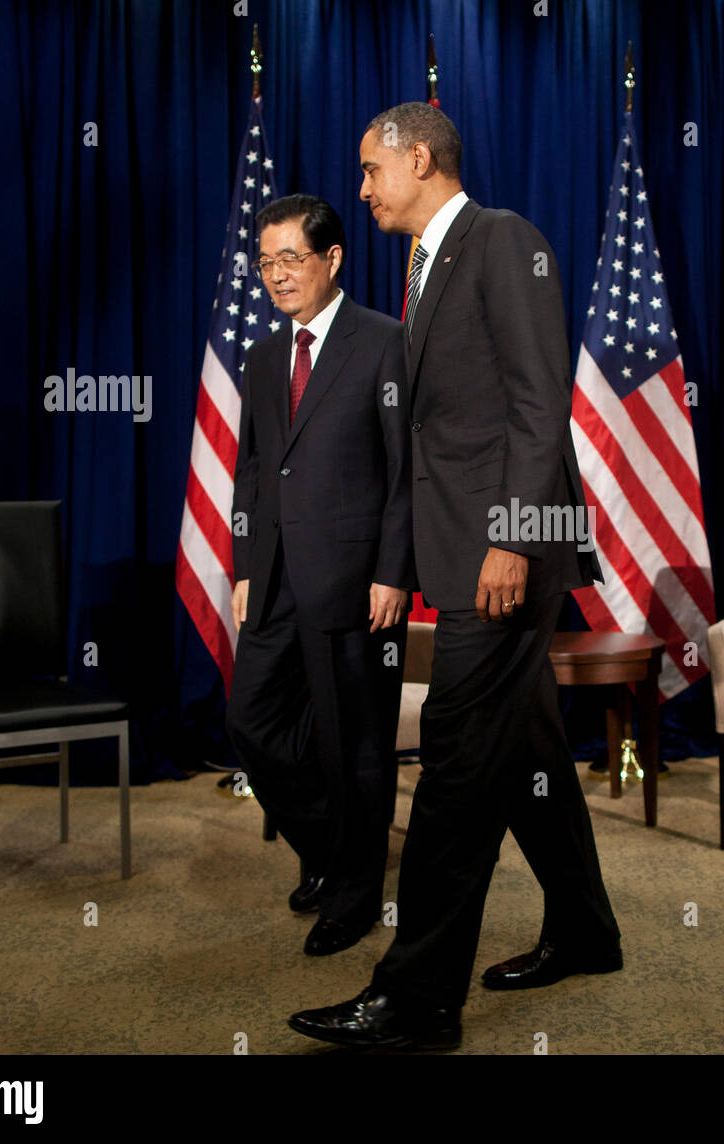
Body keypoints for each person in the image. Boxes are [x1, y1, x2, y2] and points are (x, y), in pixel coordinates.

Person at [288, 105, 621, 1051]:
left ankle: (419, 997)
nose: (360, 190)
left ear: (418, 158)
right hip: (469, 548)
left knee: (454, 763)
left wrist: (512, 541)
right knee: (525, 756)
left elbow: (537, 397)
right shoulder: (426, 261)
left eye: (368, 171)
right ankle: (587, 929)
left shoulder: (502, 239)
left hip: (505, 555)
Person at [226, 194, 414, 957]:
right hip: (272, 578)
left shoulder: (385, 344)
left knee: (355, 748)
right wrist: (243, 564)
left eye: (290, 259)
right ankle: (334, 852)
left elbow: (407, 471)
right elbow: (251, 471)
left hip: (356, 582)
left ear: (332, 259)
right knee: (252, 724)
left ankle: (355, 895)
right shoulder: (263, 357)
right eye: (264, 262)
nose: (275, 275)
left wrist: (394, 571)